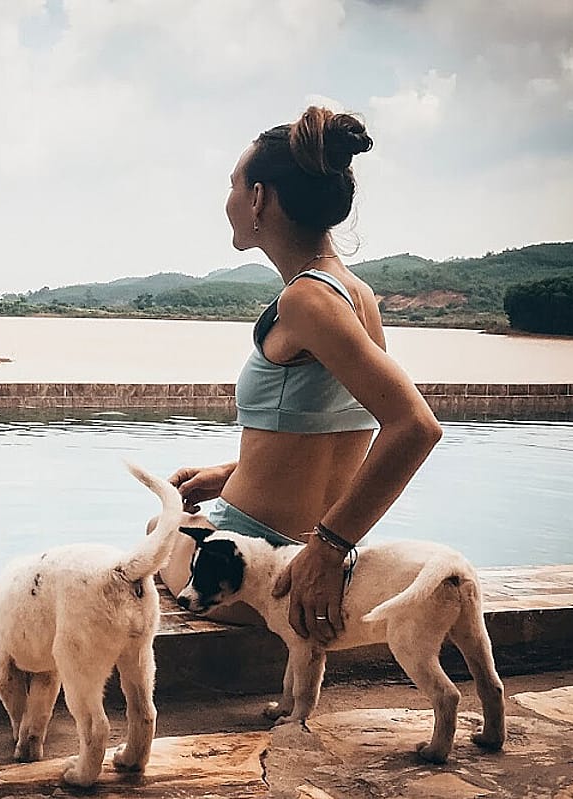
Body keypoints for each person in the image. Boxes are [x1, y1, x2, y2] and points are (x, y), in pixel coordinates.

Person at [158, 106, 443, 645]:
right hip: (296, 554)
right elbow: (334, 430)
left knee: (158, 529)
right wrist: (230, 472)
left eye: (233, 185)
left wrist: (327, 550)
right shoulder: (356, 295)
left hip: (258, 572)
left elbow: (416, 427)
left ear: (260, 198)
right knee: (177, 516)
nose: (229, 202)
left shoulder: (306, 299)